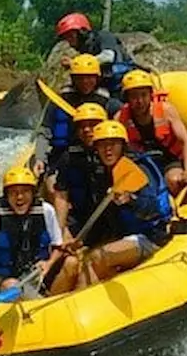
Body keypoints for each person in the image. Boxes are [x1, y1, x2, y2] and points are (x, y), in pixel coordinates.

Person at [47, 120, 172, 292]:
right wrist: (79, 240)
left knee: (99, 257)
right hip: (123, 236)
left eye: (113, 144)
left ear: (122, 146)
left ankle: (79, 304)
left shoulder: (138, 168)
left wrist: (131, 200)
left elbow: (152, 208)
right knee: (84, 260)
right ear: (96, 149)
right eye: (102, 145)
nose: (107, 150)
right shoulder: (104, 174)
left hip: (151, 237)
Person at [0, 163, 63, 294]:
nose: (19, 197)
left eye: (25, 192)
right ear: (6, 196)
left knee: (71, 264)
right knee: (11, 286)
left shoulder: (46, 210)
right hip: (4, 280)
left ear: (32, 193)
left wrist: (49, 263)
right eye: (13, 193)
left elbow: (58, 246)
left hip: (37, 273)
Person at [115, 70, 187, 195]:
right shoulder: (120, 118)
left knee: (173, 180)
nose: (139, 101)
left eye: (143, 95)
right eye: (134, 96)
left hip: (168, 158)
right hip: (142, 162)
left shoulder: (166, 111)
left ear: (150, 95)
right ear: (127, 98)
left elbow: (185, 141)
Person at [36, 54, 117, 174]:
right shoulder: (60, 101)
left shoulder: (108, 103)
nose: (85, 82)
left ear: (97, 78)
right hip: (63, 156)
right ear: (73, 79)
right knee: (53, 189)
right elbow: (44, 131)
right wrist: (40, 158)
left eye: (89, 77)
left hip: (99, 158)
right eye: (80, 78)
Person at [48, 102, 108, 237]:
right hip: (80, 219)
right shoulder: (69, 157)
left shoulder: (114, 154)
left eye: (92, 124)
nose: (87, 130)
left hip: (110, 219)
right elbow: (61, 196)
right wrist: (61, 231)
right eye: (82, 126)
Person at [54, 12, 137, 94]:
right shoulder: (85, 49)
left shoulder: (104, 36)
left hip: (123, 82)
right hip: (106, 85)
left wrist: (75, 63)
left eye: (71, 36)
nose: (69, 42)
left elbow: (108, 56)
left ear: (82, 32)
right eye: (66, 38)